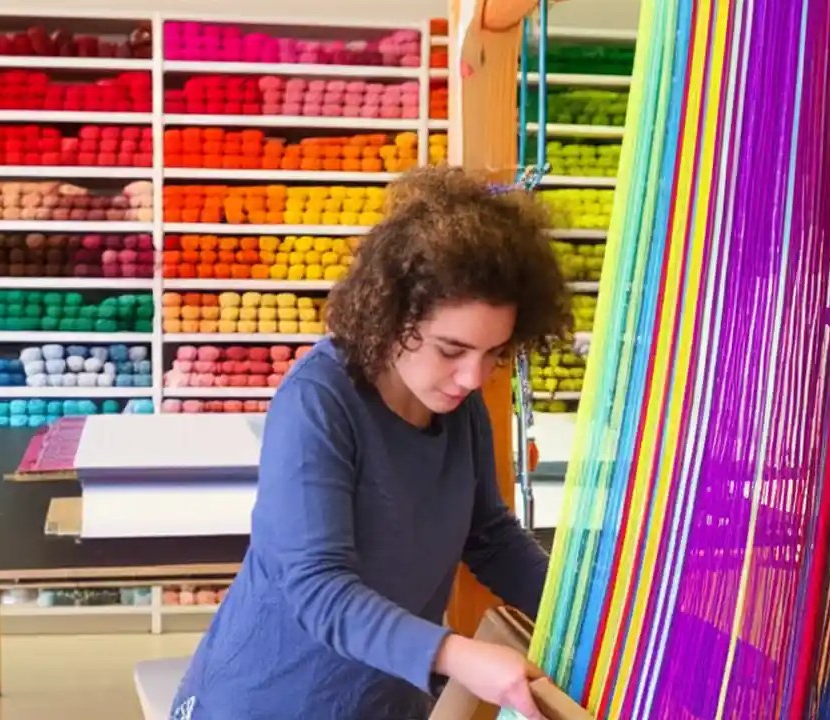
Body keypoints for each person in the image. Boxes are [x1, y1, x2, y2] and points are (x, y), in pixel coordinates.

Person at [169, 165, 573, 720]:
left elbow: (490, 537)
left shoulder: (458, 405)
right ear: (393, 313)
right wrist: (455, 654)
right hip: (266, 700)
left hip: (381, 703)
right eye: (451, 350)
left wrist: (583, 612)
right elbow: (318, 588)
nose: (474, 378)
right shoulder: (319, 400)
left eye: (493, 354)